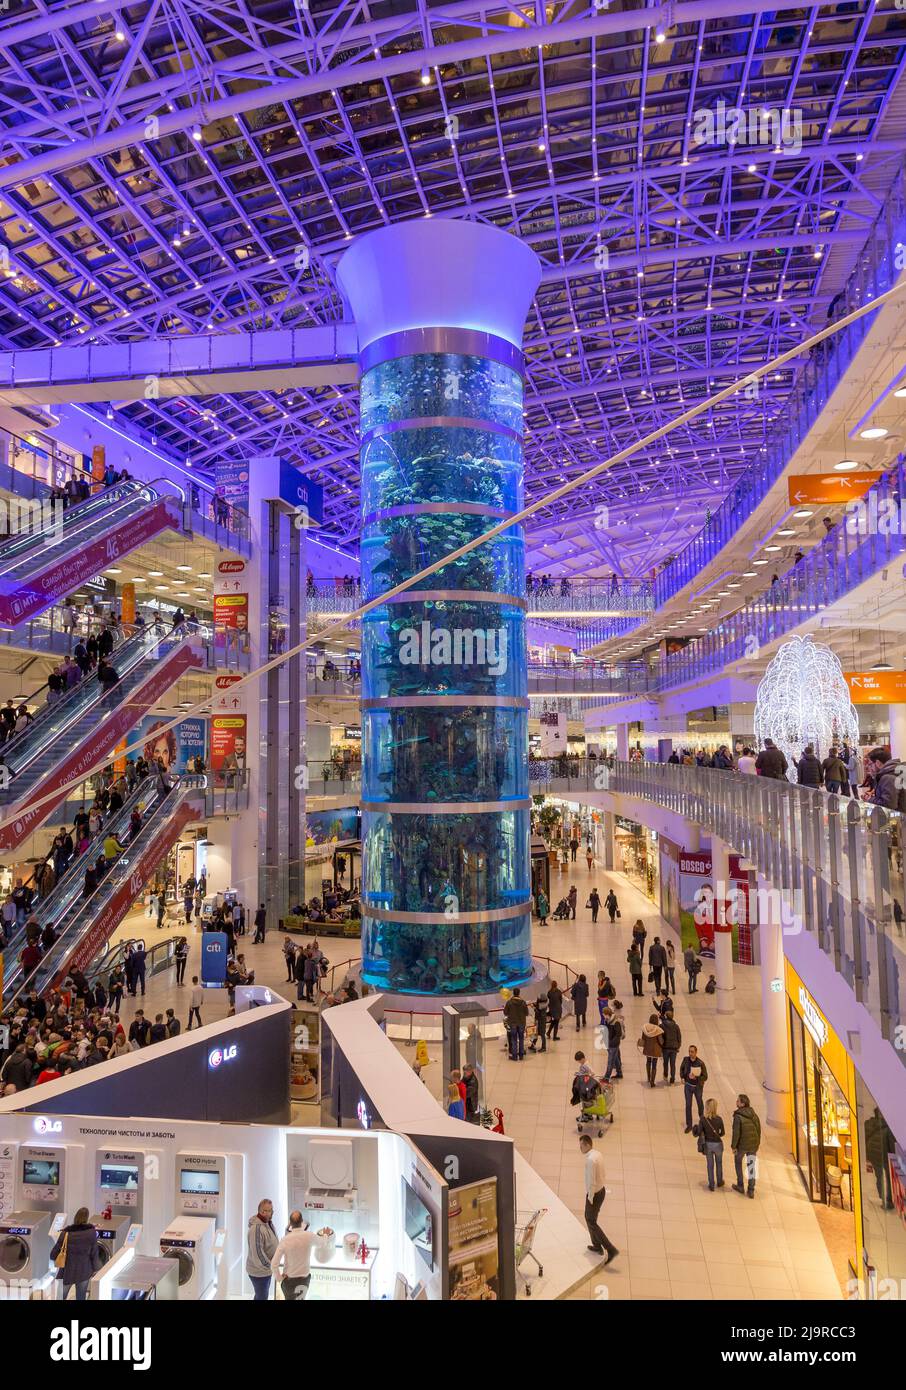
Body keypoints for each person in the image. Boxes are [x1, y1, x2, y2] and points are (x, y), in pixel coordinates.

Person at [579, 1136, 619, 1263]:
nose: (580, 1148)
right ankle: (597, 1245)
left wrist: (590, 1198)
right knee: (589, 1219)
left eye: (581, 1145)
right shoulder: (598, 1154)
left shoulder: (590, 1160)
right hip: (601, 1191)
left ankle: (610, 1248)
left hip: (594, 1194)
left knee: (591, 1221)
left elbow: (591, 1182)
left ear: (587, 1145)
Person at [50, 1207, 102, 1301]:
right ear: (86, 1218)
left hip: (67, 1271)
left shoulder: (65, 1233)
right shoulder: (91, 1233)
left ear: (75, 1217)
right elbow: (94, 1254)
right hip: (84, 1270)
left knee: (60, 1296)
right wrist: (97, 1268)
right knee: (81, 1296)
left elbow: (53, 1254)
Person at [271, 1211, 320, 1301]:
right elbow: (322, 1243)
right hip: (304, 1280)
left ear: (290, 1223)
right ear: (302, 1222)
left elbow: (274, 1264)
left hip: (289, 1281)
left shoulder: (285, 1240)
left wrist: (279, 1278)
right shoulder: (309, 1236)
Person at [246, 1199, 279, 1300]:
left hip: (266, 1271)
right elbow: (258, 1254)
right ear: (262, 1212)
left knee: (261, 1296)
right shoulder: (256, 1229)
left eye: (272, 1209)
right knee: (262, 1297)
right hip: (260, 1272)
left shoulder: (267, 1223)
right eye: (270, 1210)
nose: (272, 1212)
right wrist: (271, 1266)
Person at [731, 1094, 762, 1198]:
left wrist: (733, 1146)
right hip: (753, 1145)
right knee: (751, 1166)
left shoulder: (738, 1116)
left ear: (743, 1104)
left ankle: (740, 1185)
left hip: (742, 1146)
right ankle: (751, 1190)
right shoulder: (754, 1114)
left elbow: (736, 1133)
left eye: (738, 1101)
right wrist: (757, 1143)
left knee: (738, 1162)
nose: (736, 1102)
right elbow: (758, 1129)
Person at [694, 1099, 727, 1190]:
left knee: (710, 1164)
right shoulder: (719, 1119)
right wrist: (717, 1136)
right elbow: (723, 1133)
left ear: (707, 1107)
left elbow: (699, 1132)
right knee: (719, 1163)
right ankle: (719, 1181)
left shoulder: (703, 1119)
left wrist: (696, 1129)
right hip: (718, 1145)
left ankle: (711, 1184)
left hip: (708, 1144)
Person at [680, 1045, 708, 1131]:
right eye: (689, 1051)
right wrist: (682, 1077)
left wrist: (697, 1078)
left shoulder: (700, 1063)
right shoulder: (685, 1060)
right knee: (688, 1105)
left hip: (697, 1087)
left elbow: (705, 1077)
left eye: (692, 1051)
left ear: (696, 1052)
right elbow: (681, 1069)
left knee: (699, 1103)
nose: (690, 1053)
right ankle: (689, 1125)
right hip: (688, 1086)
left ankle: (702, 1121)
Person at [638, 1014, 664, 1088]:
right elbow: (661, 1041)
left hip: (647, 1048)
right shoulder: (658, 1030)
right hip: (655, 1050)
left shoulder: (645, 1027)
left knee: (648, 1062)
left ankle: (648, 1078)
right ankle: (652, 1082)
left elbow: (643, 1038)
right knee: (654, 1065)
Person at [503, 987, 528, 1061]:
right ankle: (521, 1055)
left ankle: (514, 1056)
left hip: (513, 1023)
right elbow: (526, 1013)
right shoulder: (523, 1002)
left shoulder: (509, 1002)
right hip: (521, 1023)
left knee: (513, 1039)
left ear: (513, 993)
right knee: (521, 1039)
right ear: (519, 993)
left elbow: (505, 1012)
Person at [603, 1001, 624, 1080]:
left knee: (610, 1061)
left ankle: (606, 1077)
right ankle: (619, 1073)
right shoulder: (608, 1020)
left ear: (607, 1014)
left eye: (604, 1014)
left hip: (613, 1044)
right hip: (610, 1043)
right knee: (615, 1059)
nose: (603, 1015)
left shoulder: (616, 1022)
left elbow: (618, 1034)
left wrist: (611, 1043)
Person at [660, 1009, 681, 1084]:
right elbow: (679, 1037)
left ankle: (665, 1075)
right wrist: (678, 1046)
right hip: (674, 1048)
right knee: (673, 1064)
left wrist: (661, 1047)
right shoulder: (676, 1026)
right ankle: (672, 1079)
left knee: (665, 1063)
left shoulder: (662, 1026)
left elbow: (660, 1038)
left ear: (666, 1016)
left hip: (665, 1048)